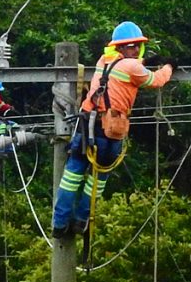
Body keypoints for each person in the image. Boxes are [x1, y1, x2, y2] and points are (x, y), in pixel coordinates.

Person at [51, 20, 173, 239]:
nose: (135, 50)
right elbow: (157, 80)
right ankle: (80, 221)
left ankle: (59, 225)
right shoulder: (134, 68)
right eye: (131, 46)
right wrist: (168, 66)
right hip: (108, 130)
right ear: (121, 47)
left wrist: (144, 61)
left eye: (137, 46)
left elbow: (123, 67)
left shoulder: (104, 60)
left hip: (86, 123)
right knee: (98, 179)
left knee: (73, 174)